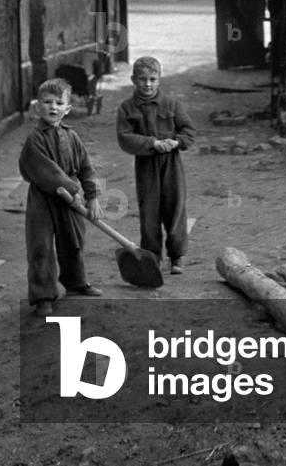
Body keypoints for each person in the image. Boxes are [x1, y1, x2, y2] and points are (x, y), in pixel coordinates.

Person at [19, 78, 103, 316]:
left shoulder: (72, 136)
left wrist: (92, 196)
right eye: (47, 102)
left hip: (71, 199)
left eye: (59, 103)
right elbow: (44, 170)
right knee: (41, 246)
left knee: (73, 241)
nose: (53, 107)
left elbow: (86, 167)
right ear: (38, 106)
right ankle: (43, 296)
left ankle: (75, 282)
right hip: (43, 199)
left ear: (68, 109)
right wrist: (72, 190)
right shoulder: (34, 139)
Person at [116, 56, 195, 274]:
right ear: (133, 79)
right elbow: (124, 137)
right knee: (149, 210)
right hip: (146, 164)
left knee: (175, 207)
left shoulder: (172, 104)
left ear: (160, 79)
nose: (147, 84)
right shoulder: (127, 108)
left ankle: (177, 256)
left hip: (171, 163)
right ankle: (152, 256)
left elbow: (189, 131)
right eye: (142, 79)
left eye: (152, 79)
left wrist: (176, 142)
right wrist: (151, 143)